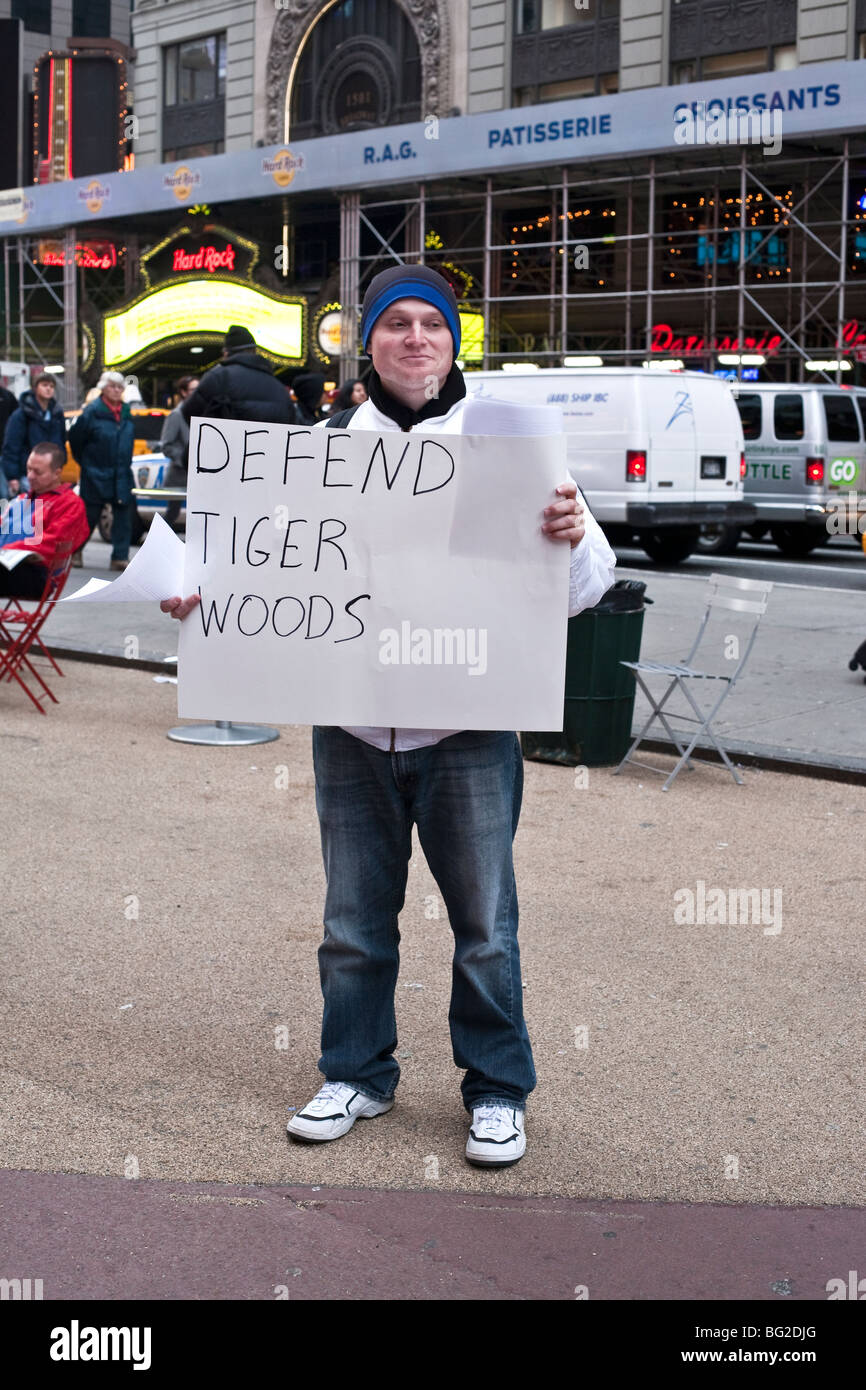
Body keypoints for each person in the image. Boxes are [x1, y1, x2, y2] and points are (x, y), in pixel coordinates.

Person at [162, 264, 616, 1168]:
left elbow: (585, 590)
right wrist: (198, 599)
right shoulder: (320, 447)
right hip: (356, 723)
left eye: (432, 325)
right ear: (366, 343)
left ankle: (496, 1090)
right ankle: (357, 1073)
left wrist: (571, 535)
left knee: (486, 926)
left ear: (454, 344)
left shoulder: (508, 447)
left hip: (470, 729)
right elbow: (260, 566)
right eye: (397, 323)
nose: (416, 338)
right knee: (353, 923)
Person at [0, 443, 89, 598]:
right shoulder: (21, 499)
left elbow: (54, 542)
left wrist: (8, 549)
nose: (30, 476)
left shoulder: (69, 504)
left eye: (38, 472)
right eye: (28, 469)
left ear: (57, 473)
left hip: (37, 575)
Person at [68, 370, 135, 571]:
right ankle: (76, 551)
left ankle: (120, 557)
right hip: (96, 472)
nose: (116, 390)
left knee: (123, 516)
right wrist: (87, 463)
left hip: (121, 472)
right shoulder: (92, 412)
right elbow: (76, 439)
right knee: (89, 516)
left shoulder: (126, 412)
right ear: (103, 389)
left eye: (120, 387)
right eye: (112, 386)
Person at [180, 326, 296, 428]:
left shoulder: (218, 378)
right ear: (254, 351)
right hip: (268, 452)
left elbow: (189, 414)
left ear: (226, 353)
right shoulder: (279, 387)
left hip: (222, 451)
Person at [1, 373, 66, 500]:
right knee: (31, 513)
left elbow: (61, 440)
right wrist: (12, 476)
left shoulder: (57, 414)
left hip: (52, 472)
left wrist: (61, 462)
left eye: (52, 386)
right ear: (35, 388)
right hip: (28, 474)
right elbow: (11, 445)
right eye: (44, 385)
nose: (48, 389)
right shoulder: (21, 415)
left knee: (49, 510)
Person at [159, 375, 199, 530]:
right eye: (193, 389)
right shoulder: (177, 415)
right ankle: (157, 541)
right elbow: (166, 445)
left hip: (199, 475)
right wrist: (184, 460)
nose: (197, 392)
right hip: (180, 475)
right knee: (172, 513)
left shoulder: (203, 411)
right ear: (183, 392)